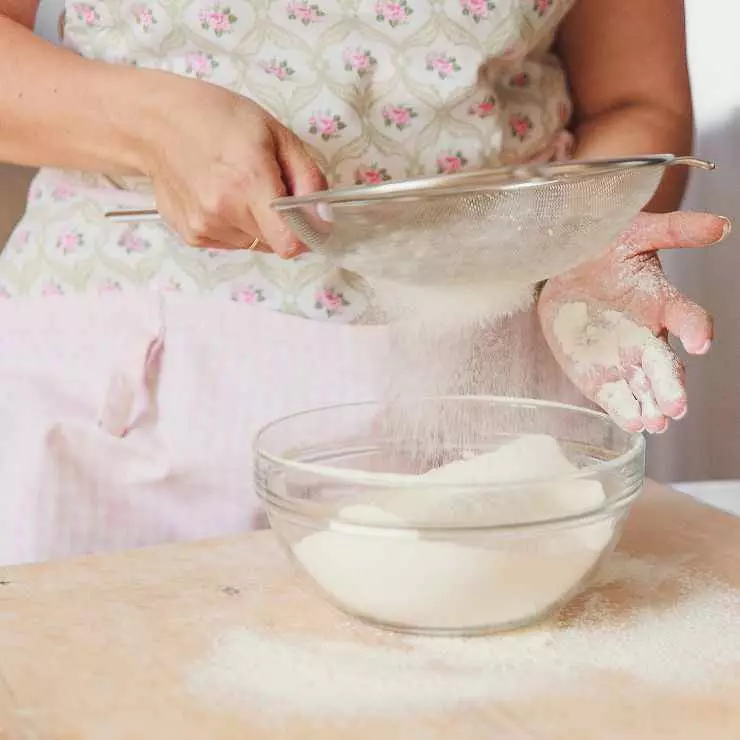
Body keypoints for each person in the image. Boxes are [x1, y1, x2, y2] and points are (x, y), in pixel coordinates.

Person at [0, 0, 728, 564]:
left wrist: (587, 234)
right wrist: (154, 125)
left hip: (495, 393)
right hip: (137, 388)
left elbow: (636, 100)